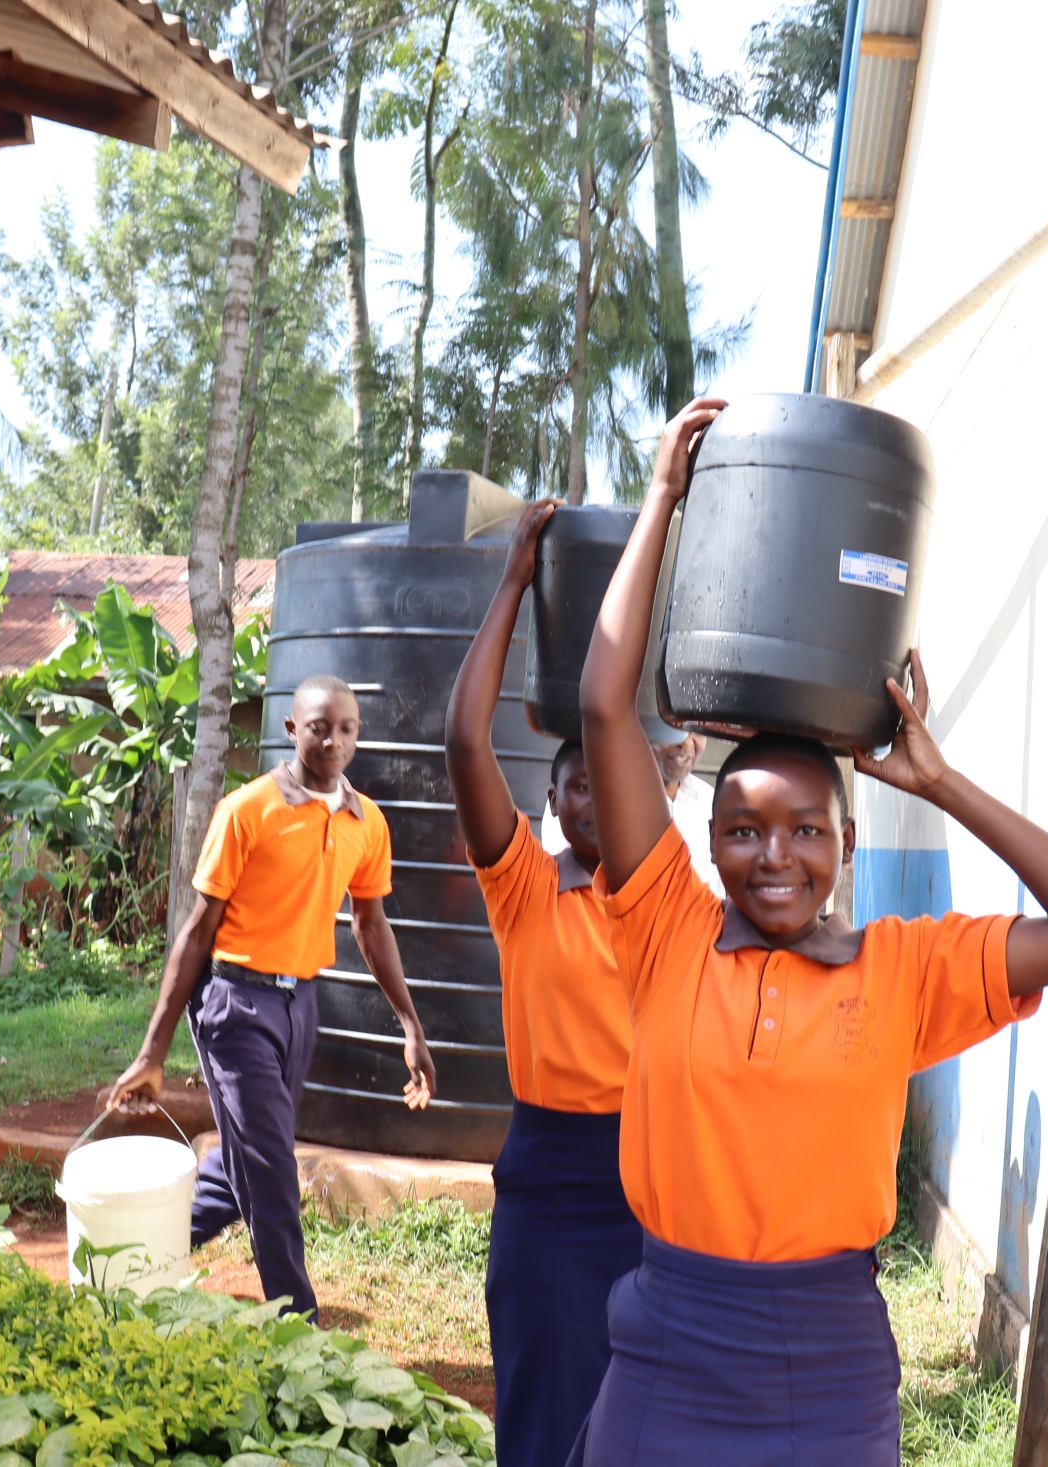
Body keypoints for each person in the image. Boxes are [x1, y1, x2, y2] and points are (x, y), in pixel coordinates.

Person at [569, 397, 1048, 1464]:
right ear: (709, 837)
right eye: (741, 830)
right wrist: (662, 499)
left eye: (803, 830)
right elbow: (606, 705)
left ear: (845, 843)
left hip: (821, 1362)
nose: (772, 856)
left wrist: (940, 781)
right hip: (668, 1341)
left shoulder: (908, 971)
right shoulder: (665, 933)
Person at [107, 675, 439, 1317]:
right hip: (236, 1005)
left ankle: (128, 1261)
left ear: (358, 734)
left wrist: (411, 1025)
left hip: (300, 1005)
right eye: (319, 727)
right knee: (273, 1174)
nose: (333, 740)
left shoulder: (366, 823)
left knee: (241, 1173)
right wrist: (153, 1052)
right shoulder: (247, 811)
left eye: (346, 728)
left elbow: (370, 925)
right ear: (292, 730)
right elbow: (197, 931)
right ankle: (299, 1326)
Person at [445, 500, 643, 1467]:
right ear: (553, 800)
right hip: (553, 1186)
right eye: (577, 783)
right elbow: (464, 743)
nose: (599, 797)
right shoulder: (526, 886)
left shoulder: (675, 903)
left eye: (617, 778)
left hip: (657, 1186)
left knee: (647, 1419)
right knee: (543, 1413)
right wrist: (517, 579)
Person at [545, 727, 718, 888]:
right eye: (672, 728)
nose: (685, 742)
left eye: (695, 729)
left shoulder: (711, 801)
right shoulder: (575, 807)